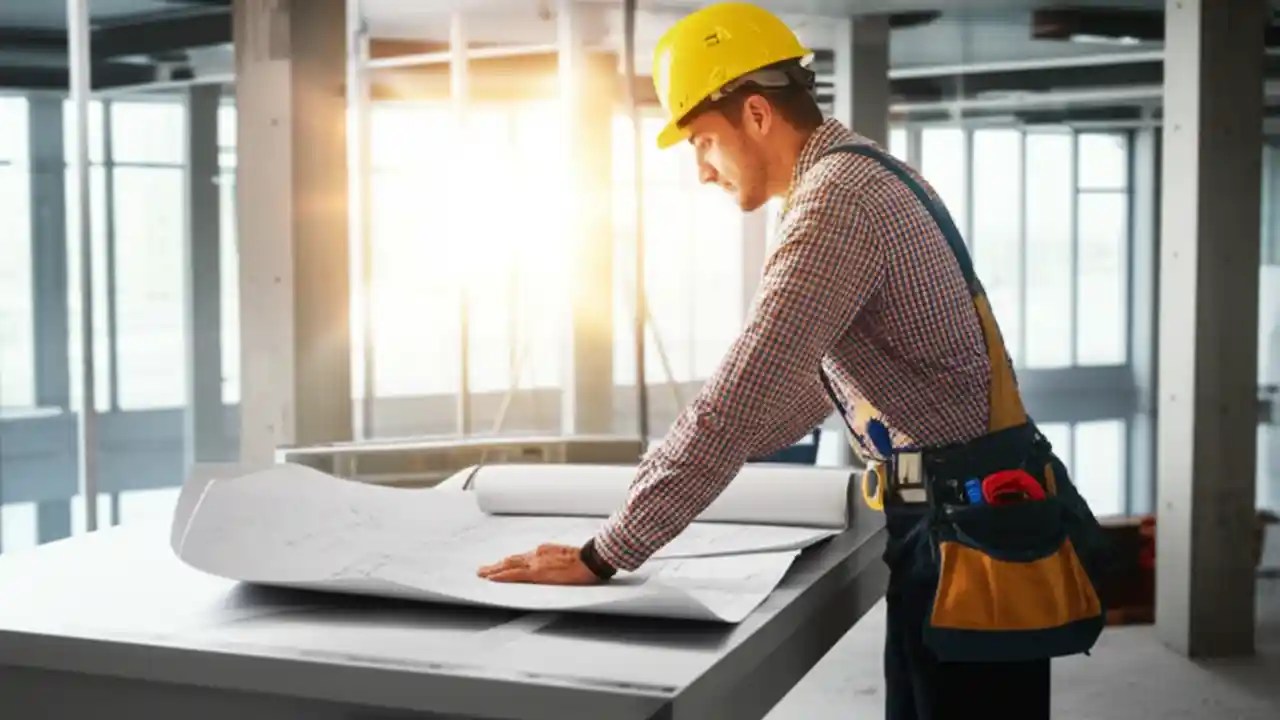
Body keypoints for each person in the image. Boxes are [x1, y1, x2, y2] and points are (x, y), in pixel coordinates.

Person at [479, 3, 1106, 719]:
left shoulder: (835, 204)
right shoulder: (867, 174)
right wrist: (706, 466)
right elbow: (821, 380)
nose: (703, 172)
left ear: (755, 113)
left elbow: (740, 399)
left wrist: (607, 551)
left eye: (703, 143)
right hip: (949, 521)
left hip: (965, 531)